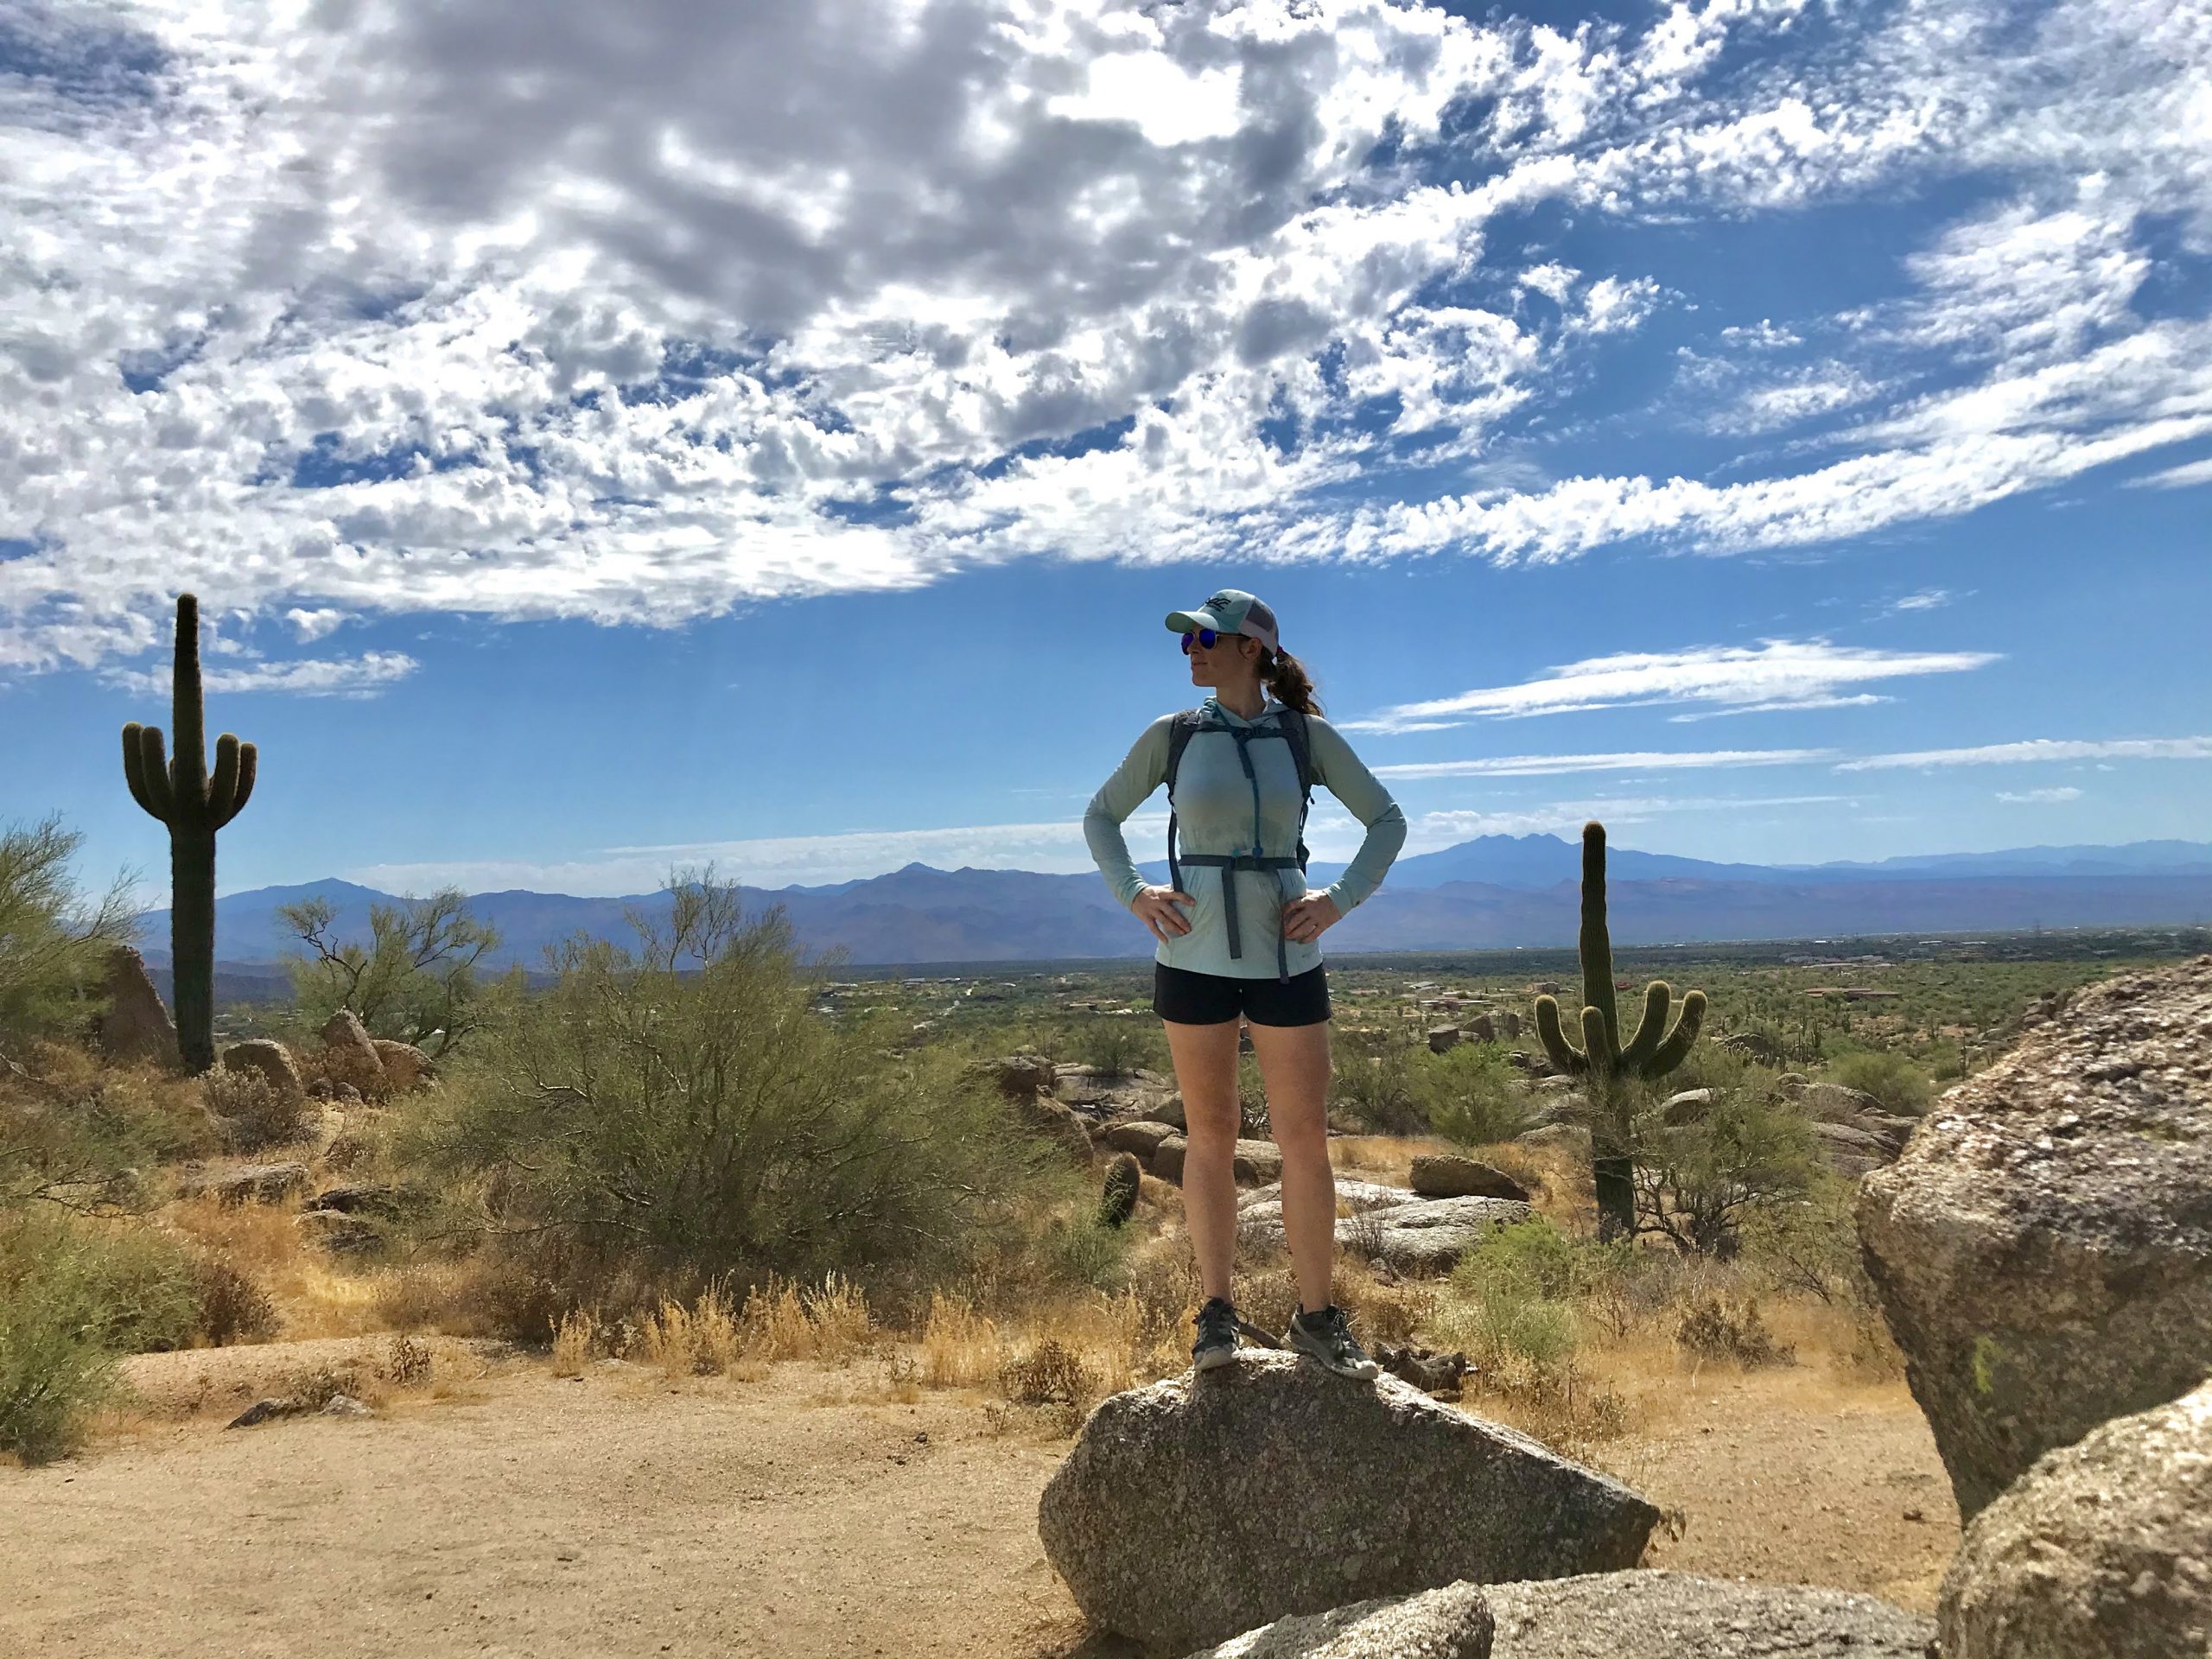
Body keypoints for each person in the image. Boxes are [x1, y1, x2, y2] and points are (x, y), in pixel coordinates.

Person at [1084, 588, 1407, 1379]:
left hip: (1286, 957)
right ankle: (1217, 1317)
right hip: (1191, 957)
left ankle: (1318, 1317)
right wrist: (1134, 893)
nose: (1191, 649)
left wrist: (1338, 899)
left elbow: (1388, 820)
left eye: (1205, 637)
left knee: (1303, 1140)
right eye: (1186, 639)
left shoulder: (1305, 738)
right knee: (1212, 1137)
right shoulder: (1174, 735)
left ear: (1251, 648)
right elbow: (1101, 817)